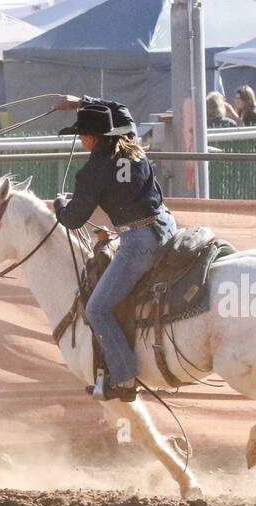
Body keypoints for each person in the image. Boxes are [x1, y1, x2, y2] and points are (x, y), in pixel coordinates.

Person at [52, 95, 177, 403]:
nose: (79, 138)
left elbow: (73, 219)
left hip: (139, 244)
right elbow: (122, 109)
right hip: (166, 226)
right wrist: (83, 101)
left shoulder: (93, 171)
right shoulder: (133, 146)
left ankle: (124, 378)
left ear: (93, 137)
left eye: (81, 133)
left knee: (96, 309)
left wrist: (59, 204)